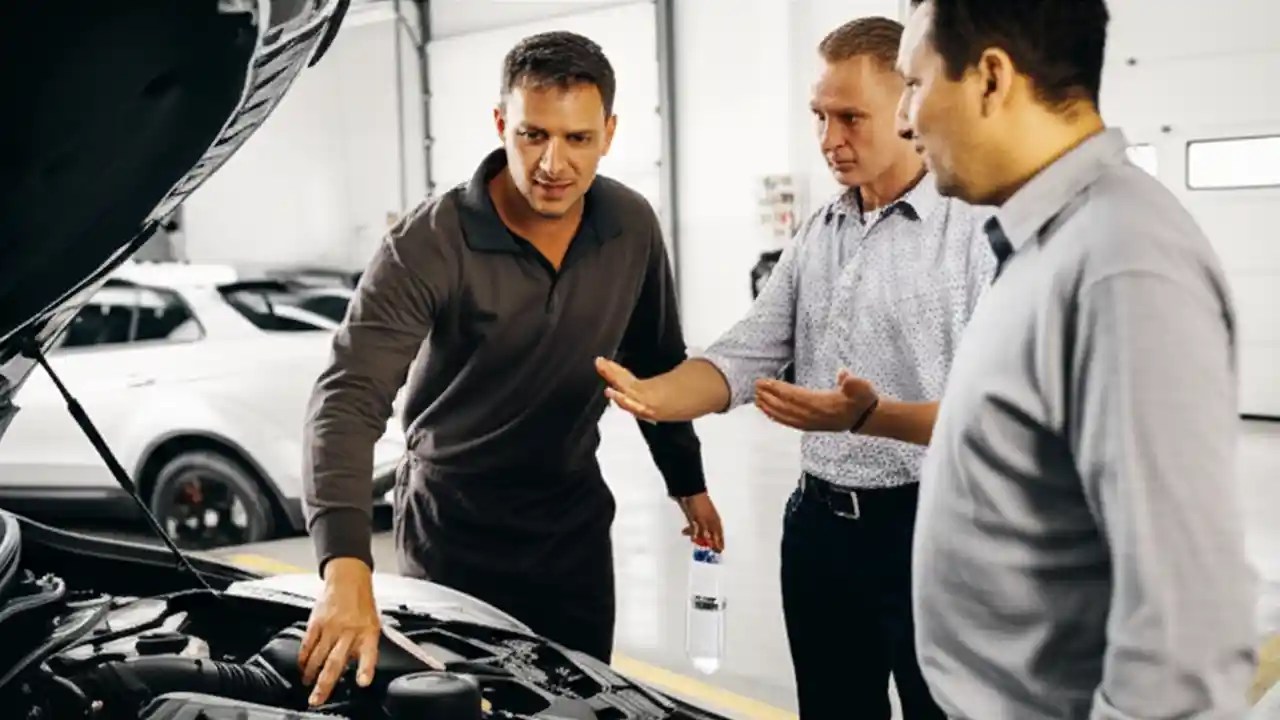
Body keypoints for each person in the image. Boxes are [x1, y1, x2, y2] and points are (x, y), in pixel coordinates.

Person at [295, 30, 725, 708]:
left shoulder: (632, 225)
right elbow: (348, 398)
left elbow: (655, 360)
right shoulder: (429, 243)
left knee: (581, 705)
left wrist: (687, 480)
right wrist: (345, 565)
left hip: (572, 527)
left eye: (578, 139)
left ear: (610, 134)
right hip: (452, 532)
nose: (554, 163)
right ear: (501, 124)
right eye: (533, 135)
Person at [596, 17, 994, 718]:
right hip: (821, 531)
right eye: (819, 116)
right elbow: (746, 353)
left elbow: (995, 416)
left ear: (908, 106)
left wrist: (869, 418)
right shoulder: (819, 232)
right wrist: (652, 397)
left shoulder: (975, 235)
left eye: (850, 118)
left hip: (936, 529)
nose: (829, 138)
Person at [886, 1, 1259, 718]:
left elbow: (1184, 636)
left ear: (992, 78)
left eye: (914, 83)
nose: (904, 120)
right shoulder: (1049, 245)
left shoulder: (1121, 262)